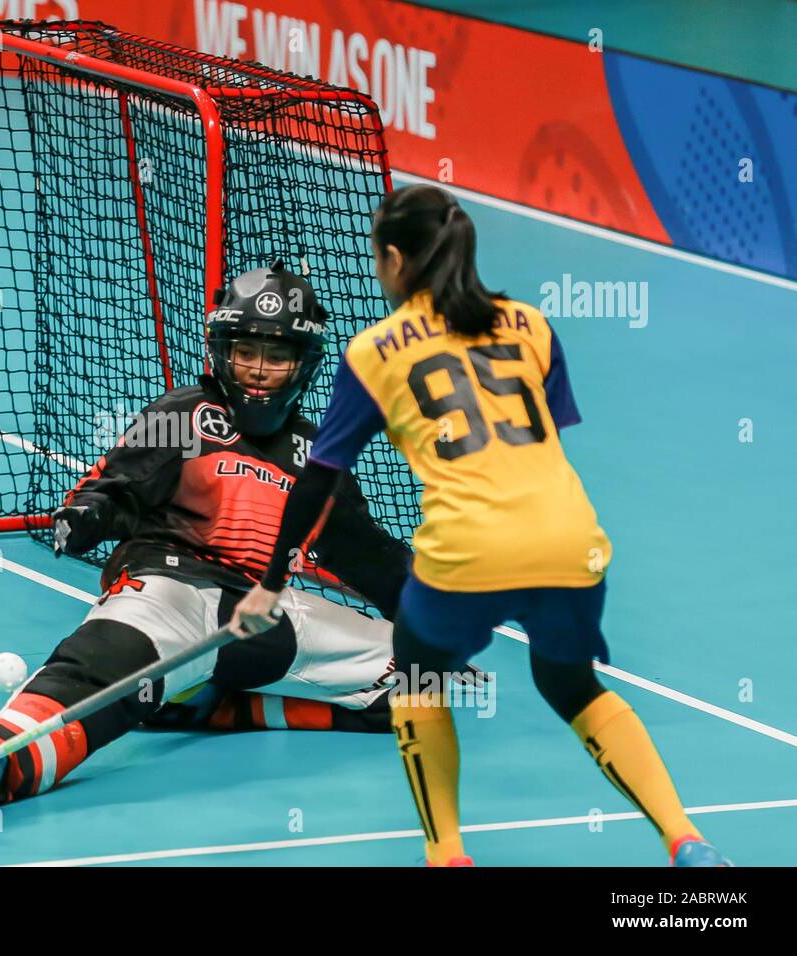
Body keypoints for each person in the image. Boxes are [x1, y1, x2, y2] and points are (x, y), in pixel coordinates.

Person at [233, 185, 729, 867]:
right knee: (574, 687)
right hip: (569, 536)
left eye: (380, 258)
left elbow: (320, 479)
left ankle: (447, 856)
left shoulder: (376, 352)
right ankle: (686, 840)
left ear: (398, 260)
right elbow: (542, 439)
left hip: (467, 551)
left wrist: (269, 582)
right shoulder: (529, 324)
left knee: (417, 679)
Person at [0, 263, 423, 814]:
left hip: (262, 612)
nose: (258, 370)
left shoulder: (318, 454)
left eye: (277, 355)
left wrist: (430, 613)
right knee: (103, 663)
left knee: (421, 682)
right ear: (221, 351)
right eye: (245, 351)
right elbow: (116, 489)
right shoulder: (180, 417)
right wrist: (88, 516)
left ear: (302, 365)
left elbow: (364, 553)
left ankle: (207, 704)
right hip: (172, 588)